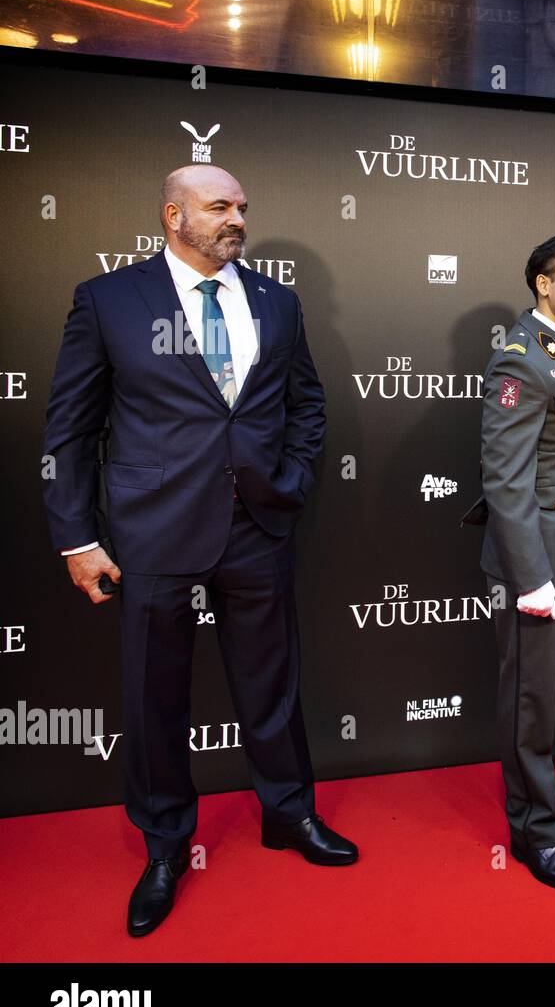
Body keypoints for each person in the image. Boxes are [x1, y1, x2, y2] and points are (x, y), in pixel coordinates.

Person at [42, 165, 356, 939]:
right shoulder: (110, 300)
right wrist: (78, 537)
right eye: (220, 206)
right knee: (155, 697)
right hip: (155, 530)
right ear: (173, 215)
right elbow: (70, 431)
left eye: (243, 206)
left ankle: (289, 816)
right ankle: (163, 847)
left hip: (257, 523)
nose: (236, 219)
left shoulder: (277, 302)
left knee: (272, 684)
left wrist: (290, 479)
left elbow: (305, 402)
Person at [462, 234, 555, 892]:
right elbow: (506, 479)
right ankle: (534, 832)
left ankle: (544, 794)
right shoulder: (520, 362)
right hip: (536, 560)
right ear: (543, 285)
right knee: (531, 700)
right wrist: (531, 577)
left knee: (552, 698)